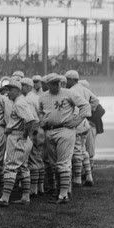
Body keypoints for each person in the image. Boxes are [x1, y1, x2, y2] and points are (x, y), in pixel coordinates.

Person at [0, 79, 37, 207]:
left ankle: (4, 199)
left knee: (11, 166)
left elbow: (30, 121)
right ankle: (25, 197)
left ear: (18, 90)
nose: (8, 93)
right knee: (23, 167)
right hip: (19, 135)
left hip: (17, 136)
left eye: (10, 90)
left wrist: (23, 135)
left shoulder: (19, 103)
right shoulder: (20, 102)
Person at [35, 74, 78, 203]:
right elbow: (40, 112)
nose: (56, 85)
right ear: (47, 84)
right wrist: (43, 121)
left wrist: (77, 121)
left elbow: (86, 106)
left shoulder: (68, 93)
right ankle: (61, 190)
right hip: (50, 130)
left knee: (63, 163)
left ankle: (63, 195)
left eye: (58, 82)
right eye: (53, 83)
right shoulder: (43, 97)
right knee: (54, 165)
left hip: (65, 129)